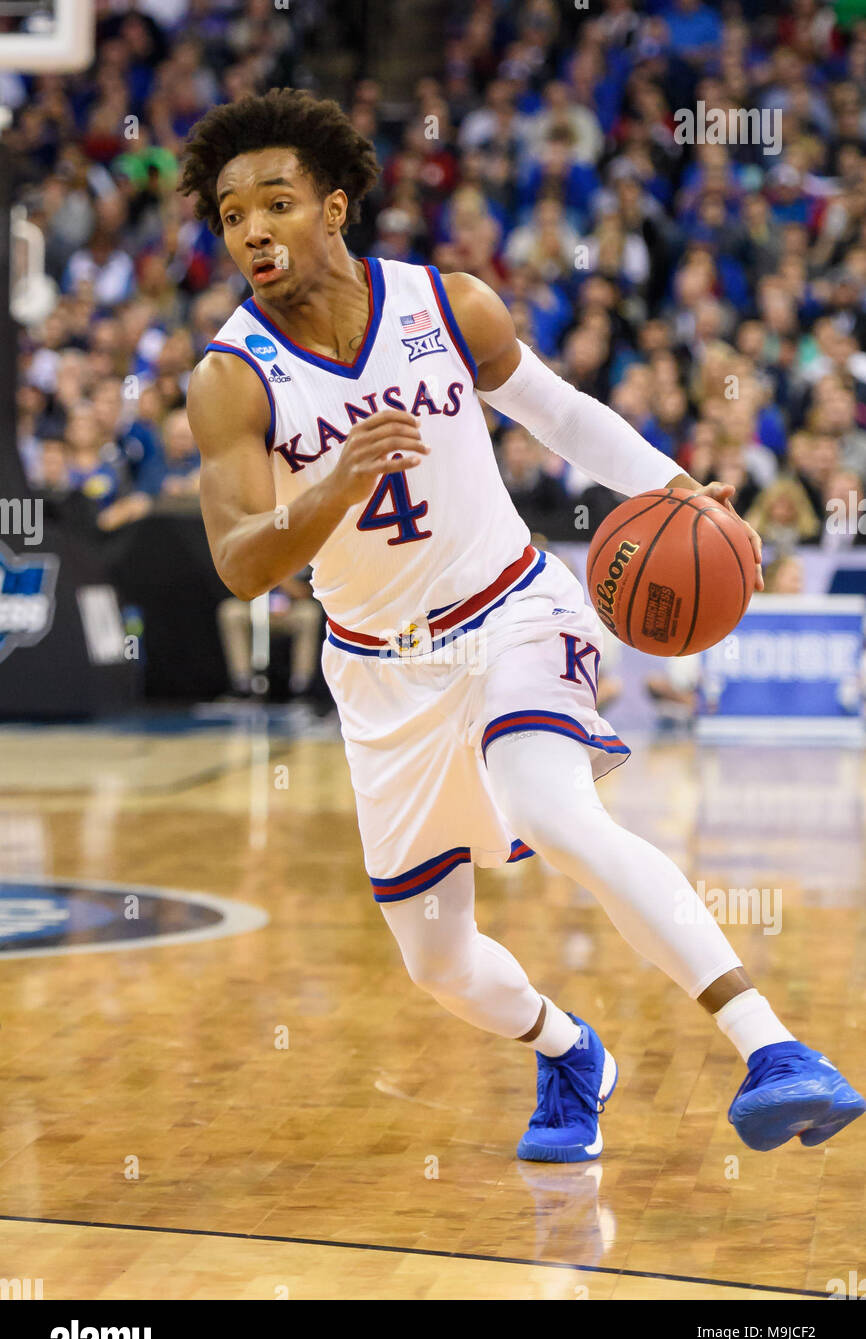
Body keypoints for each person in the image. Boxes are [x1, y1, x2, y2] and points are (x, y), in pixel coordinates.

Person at [182, 88, 864, 1162]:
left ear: (337, 205)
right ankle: (568, 1050)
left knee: (553, 811)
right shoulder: (230, 381)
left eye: (276, 202)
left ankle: (771, 1048)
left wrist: (684, 488)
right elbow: (237, 563)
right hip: (379, 674)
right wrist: (327, 488)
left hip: (512, 608)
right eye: (230, 216)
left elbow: (561, 417)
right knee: (437, 966)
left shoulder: (449, 304)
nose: (253, 230)